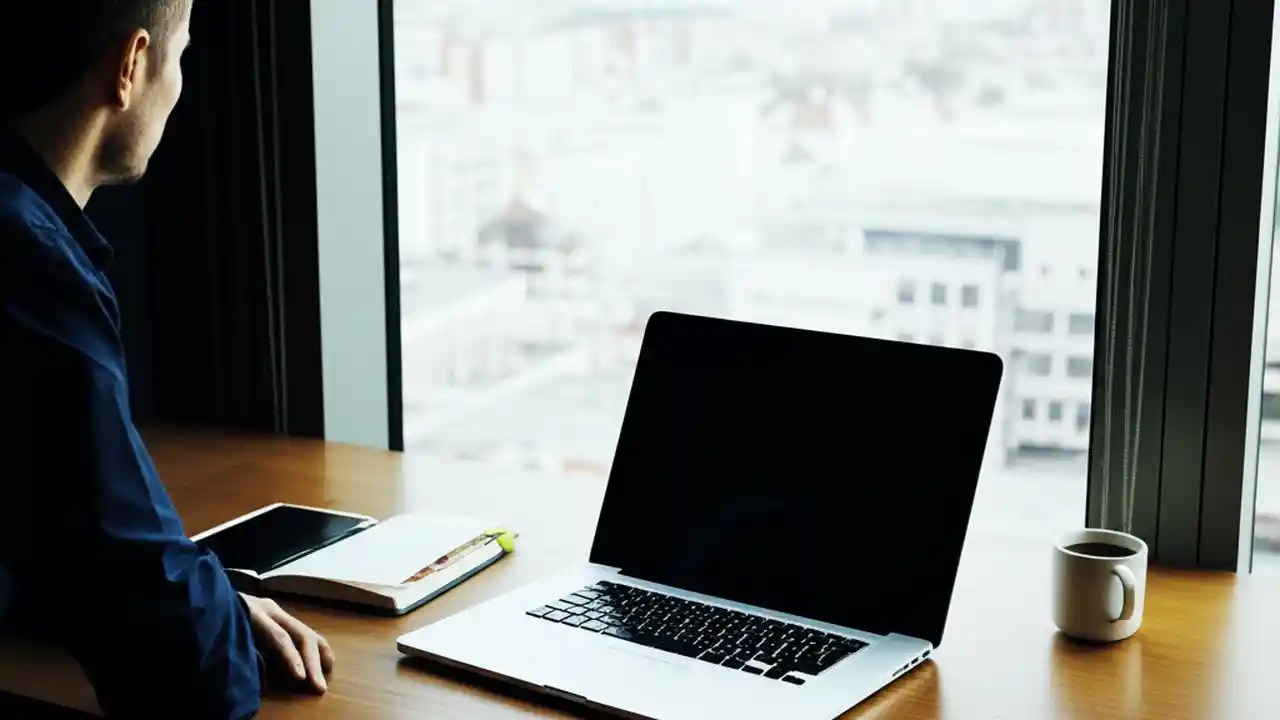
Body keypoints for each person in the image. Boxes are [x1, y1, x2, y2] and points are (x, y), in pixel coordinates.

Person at [0, 1, 334, 717]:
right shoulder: (27, 263)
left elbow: (49, 529)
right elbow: (187, 675)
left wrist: (209, 600)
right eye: (180, 54)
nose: (181, 83)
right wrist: (214, 618)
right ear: (129, 66)